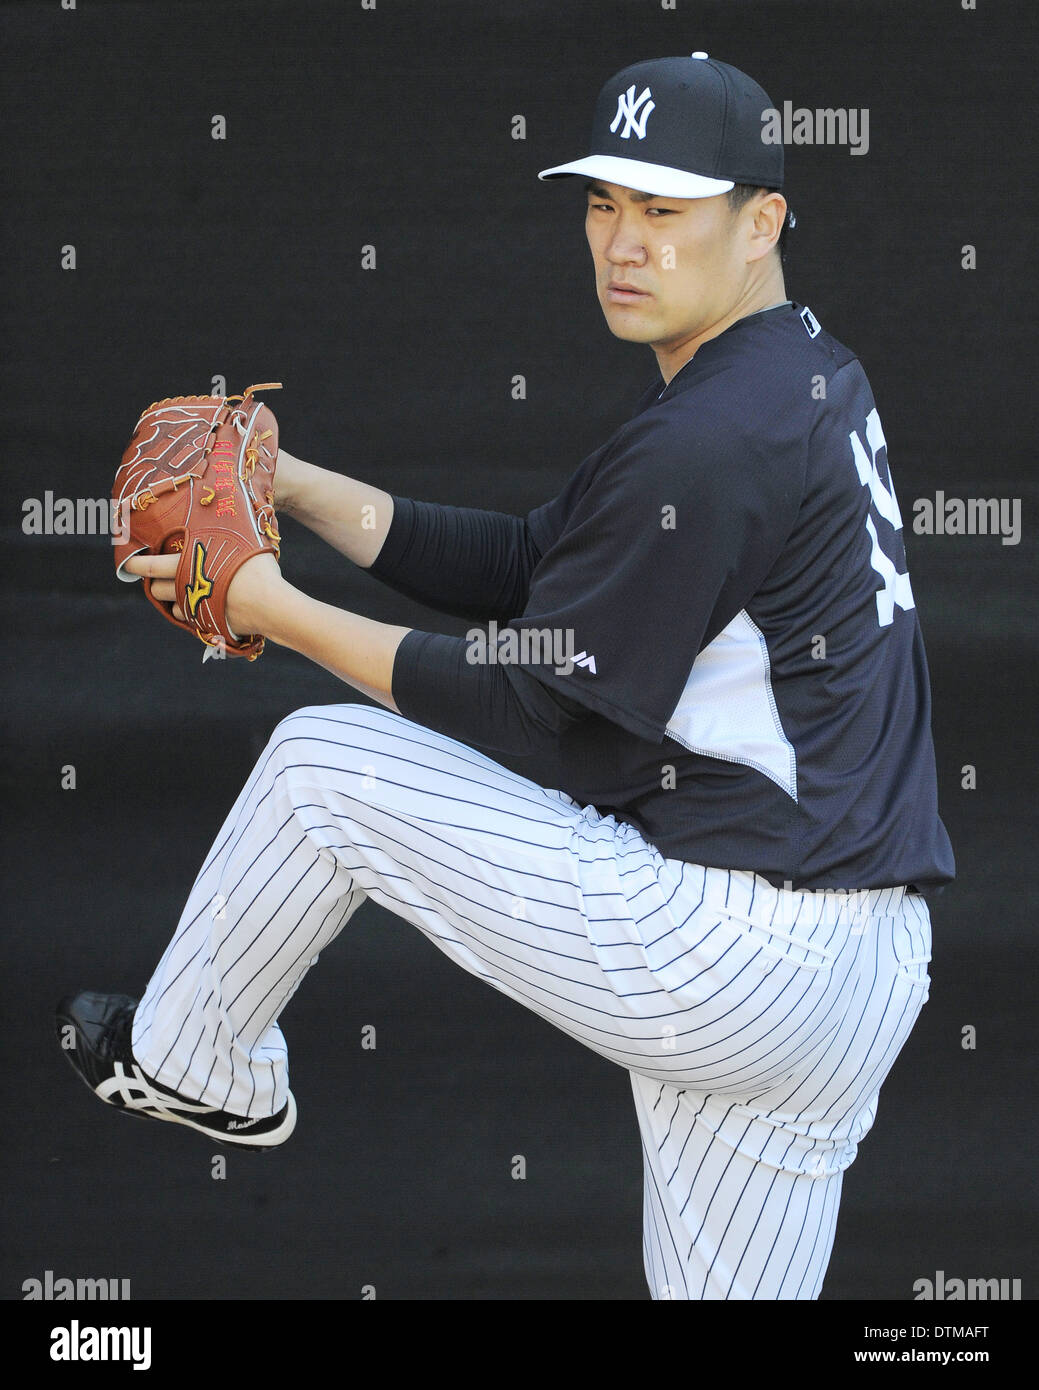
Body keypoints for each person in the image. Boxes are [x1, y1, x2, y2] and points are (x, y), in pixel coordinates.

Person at [57, 54, 954, 1300]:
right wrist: (297, 488)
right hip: (861, 970)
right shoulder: (803, 373)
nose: (623, 242)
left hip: (732, 953)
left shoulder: (708, 437)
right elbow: (534, 564)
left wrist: (269, 606)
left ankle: (200, 1065)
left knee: (320, 768)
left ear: (762, 222)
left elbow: (538, 717)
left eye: (665, 207)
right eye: (603, 202)